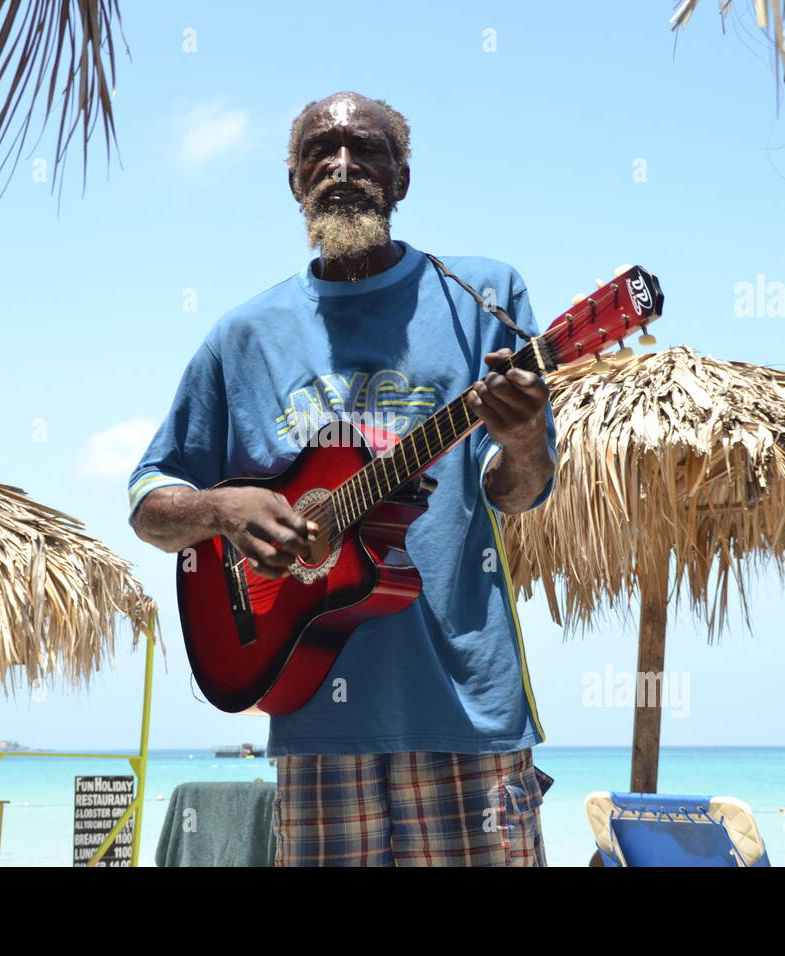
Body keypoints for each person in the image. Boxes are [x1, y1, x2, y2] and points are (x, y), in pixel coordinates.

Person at [129, 91, 558, 866]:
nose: (343, 166)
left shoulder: (483, 298)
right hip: (312, 717)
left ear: (402, 180)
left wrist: (525, 437)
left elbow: (516, 492)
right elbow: (151, 506)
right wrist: (222, 506)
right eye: (320, 153)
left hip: (465, 710)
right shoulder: (242, 338)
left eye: (368, 151)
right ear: (293, 182)